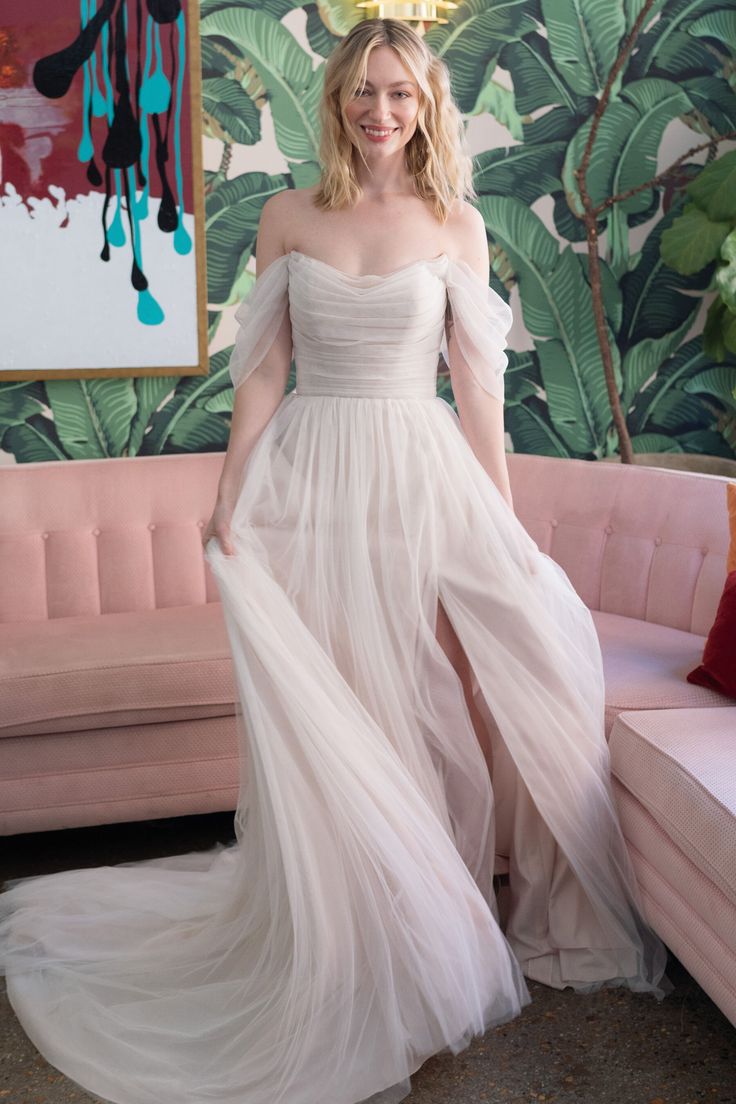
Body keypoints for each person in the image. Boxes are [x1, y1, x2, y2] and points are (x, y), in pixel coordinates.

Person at [0, 17, 669, 1104]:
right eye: (364, 92)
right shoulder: (283, 216)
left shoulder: (457, 226)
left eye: (401, 93)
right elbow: (261, 372)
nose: (380, 111)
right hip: (309, 481)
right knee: (336, 706)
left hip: (415, 473)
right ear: (337, 102)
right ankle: (342, 929)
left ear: (427, 105)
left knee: (428, 701)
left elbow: (477, 393)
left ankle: (422, 925)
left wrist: (499, 521)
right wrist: (228, 493)